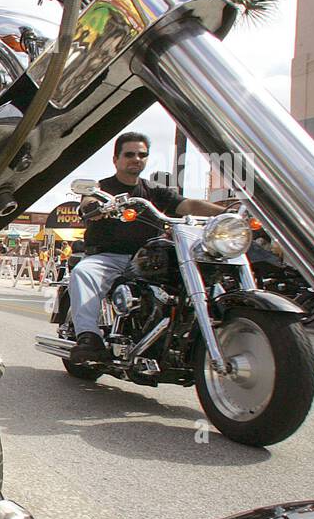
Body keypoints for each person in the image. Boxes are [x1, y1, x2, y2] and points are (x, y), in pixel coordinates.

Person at [68, 132, 228, 365]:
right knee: (84, 272)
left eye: (142, 155)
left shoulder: (154, 191)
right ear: (116, 159)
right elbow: (87, 202)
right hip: (108, 256)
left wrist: (225, 213)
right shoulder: (102, 188)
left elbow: (188, 204)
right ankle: (88, 337)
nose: (136, 159)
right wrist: (94, 207)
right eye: (130, 154)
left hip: (148, 258)